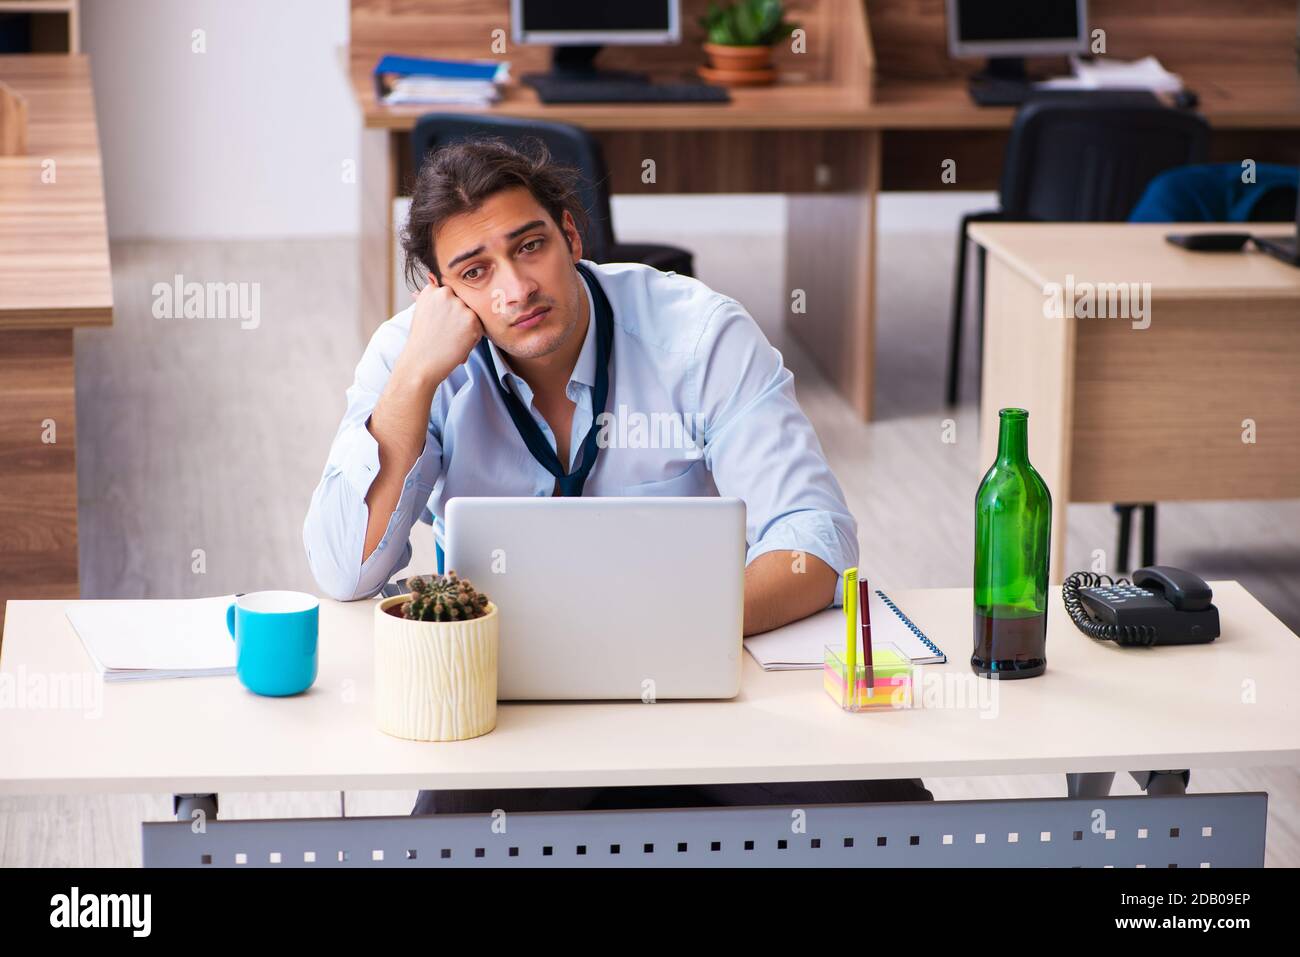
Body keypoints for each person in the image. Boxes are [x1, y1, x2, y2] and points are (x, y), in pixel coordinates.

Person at [303, 137, 932, 813]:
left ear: (570, 236)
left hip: (700, 685)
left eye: (529, 246)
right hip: (512, 709)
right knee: (447, 845)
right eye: (475, 272)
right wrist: (414, 380)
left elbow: (814, 537)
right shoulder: (410, 359)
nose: (516, 289)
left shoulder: (699, 334)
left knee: (887, 816)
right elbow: (345, 569)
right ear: (441, 293)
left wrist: (663, 633)